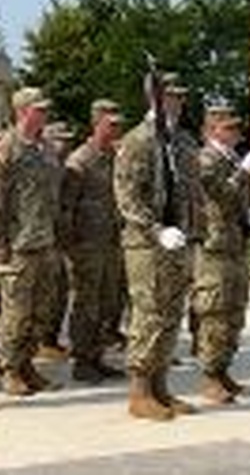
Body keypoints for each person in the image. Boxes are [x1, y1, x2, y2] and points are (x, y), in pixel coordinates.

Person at [114, 73, 203, 421]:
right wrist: (155, 230)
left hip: (178, 242)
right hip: (147, 245)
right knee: (149, 314)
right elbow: (126, 197)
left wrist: (193, 231)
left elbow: (191, 192)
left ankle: (160, 386)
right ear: (154, 97)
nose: (178, 103)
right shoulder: (137, 141)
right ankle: (139, 391)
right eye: (171, 97)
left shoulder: (182, 141)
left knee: (170, 315)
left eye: (181, 98)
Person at [0, 87, 62, 397]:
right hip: (18, 244)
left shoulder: (45, 148)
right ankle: (11, 369)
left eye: (45, 110)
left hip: (44, 241)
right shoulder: (7, 147)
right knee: (15, 312)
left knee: (40, 311)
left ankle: (28, 364)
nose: (43, 115)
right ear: (21, 111)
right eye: (38, 109)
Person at [192, 106, 250, 403]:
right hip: (214, 246)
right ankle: (209, 375)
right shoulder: (205, 159)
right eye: (228, 128)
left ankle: (223, 369)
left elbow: (239, 201)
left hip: (234, 243)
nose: (236, 132)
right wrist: (244, 172)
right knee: (216, 311)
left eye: (236, 127)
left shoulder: (230, 159)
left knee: (235, 310)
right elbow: (222, 194)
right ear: (211, 130)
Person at [58, 100, 126, 383]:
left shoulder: (114, 158)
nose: (116, 129)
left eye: (118, 125)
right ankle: (82, 360)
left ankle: (98, 356)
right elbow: (65, 208)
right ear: (96, 124)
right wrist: (70, 245)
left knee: (108, 303)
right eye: (111, 125)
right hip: (86, 245)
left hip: (110, 243)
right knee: (87, 304)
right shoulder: (79, 161)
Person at [37, 121, 76, 362]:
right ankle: (40, 341)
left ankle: (49, 338)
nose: (65, 144)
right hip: (36, 238)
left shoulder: (62, 167)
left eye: (68, 140)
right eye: (60, 139)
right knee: (39, 294)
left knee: (59, 290)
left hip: (56, 238)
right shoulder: (43, 165)